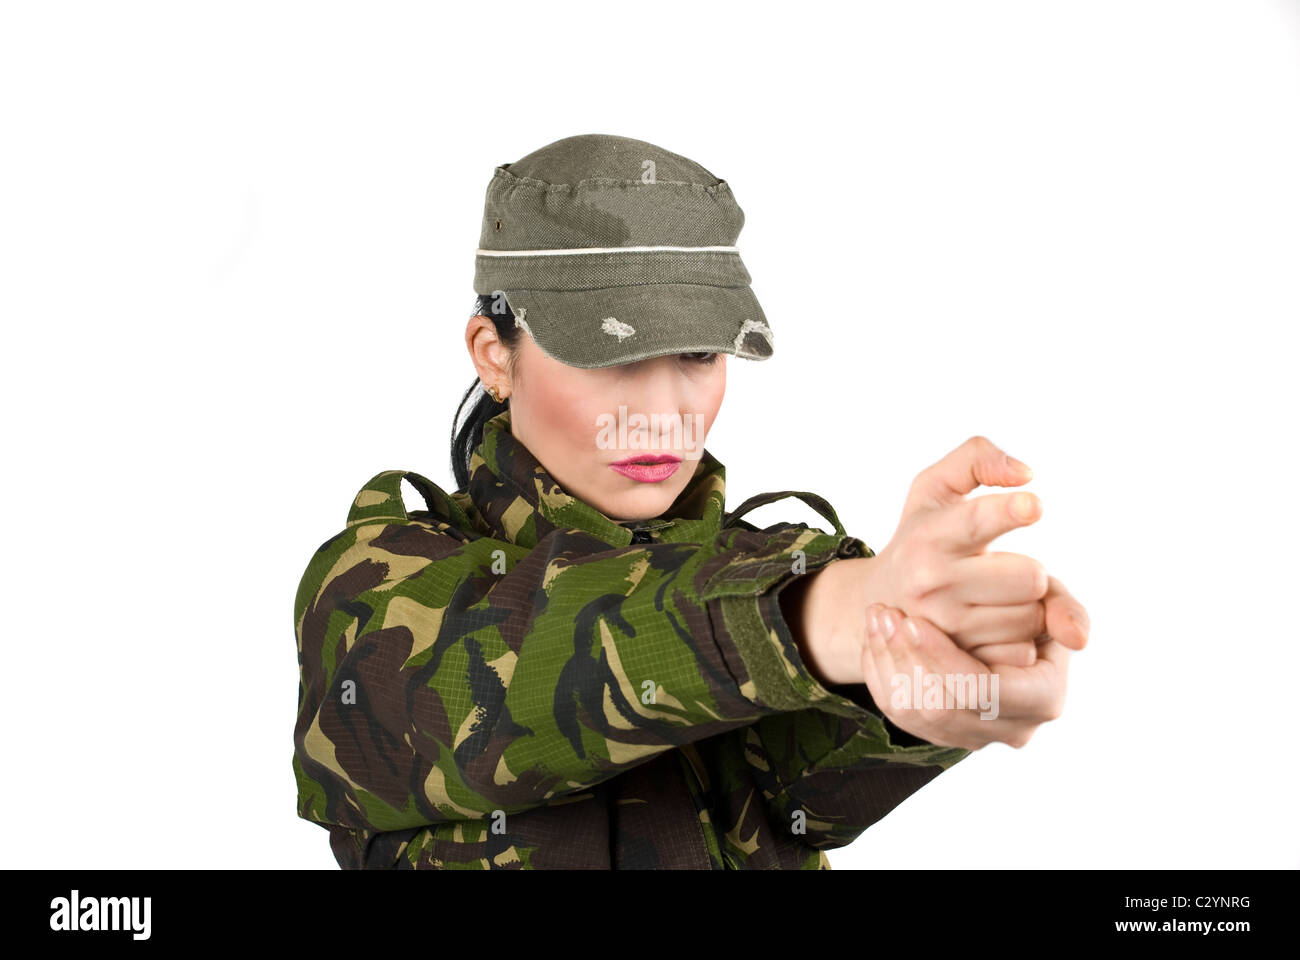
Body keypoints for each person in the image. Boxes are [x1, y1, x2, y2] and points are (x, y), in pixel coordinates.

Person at [291, 133, 1090, 869]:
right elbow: (523, 662)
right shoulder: (372, 588)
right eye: (612, 353)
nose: (666, 411)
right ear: (494, 353)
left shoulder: (778, 563)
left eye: (699, 354)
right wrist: (818, 616)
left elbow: (815, 788)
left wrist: (943, 653)